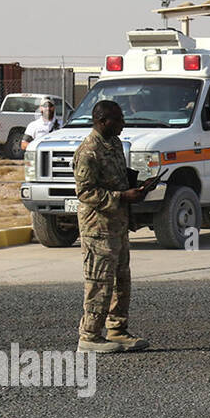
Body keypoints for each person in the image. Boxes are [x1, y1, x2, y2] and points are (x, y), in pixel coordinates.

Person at [73, 101, 158, 353]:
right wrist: (122, 197)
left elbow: (117, 177)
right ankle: (89, 335)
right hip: (98, 227)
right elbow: (86, 192)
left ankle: (117, 330)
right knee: (100, 281)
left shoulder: (114, 144)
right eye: (118, 120)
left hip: (118, 225)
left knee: (121, 280)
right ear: (102, 121)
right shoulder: (89, 152)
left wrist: (140, 185)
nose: (123, 124)